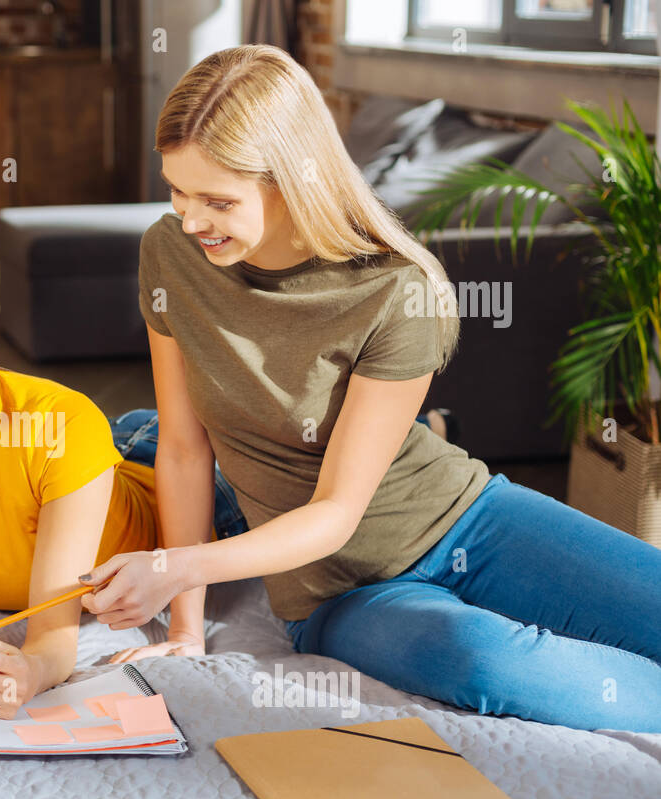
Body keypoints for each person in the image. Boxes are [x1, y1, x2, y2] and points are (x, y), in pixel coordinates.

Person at [78, 45, 661, 733]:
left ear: (292, 180)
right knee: (483, 664)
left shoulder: (397, 289)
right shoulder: (171, 254)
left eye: (217, 200)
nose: (191, 218)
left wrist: (174, 564)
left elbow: (338, 509)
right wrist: (185, 623)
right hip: (341, 592)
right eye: (177, 190)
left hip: (470, 518)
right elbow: (180, 446)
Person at [0, 218, 447, 716]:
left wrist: (30, 674)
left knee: (289, 457)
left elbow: (53, 635)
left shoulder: (59, 422)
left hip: (170, 486)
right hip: (97, 458)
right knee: (139, 433)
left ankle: (416, 421)